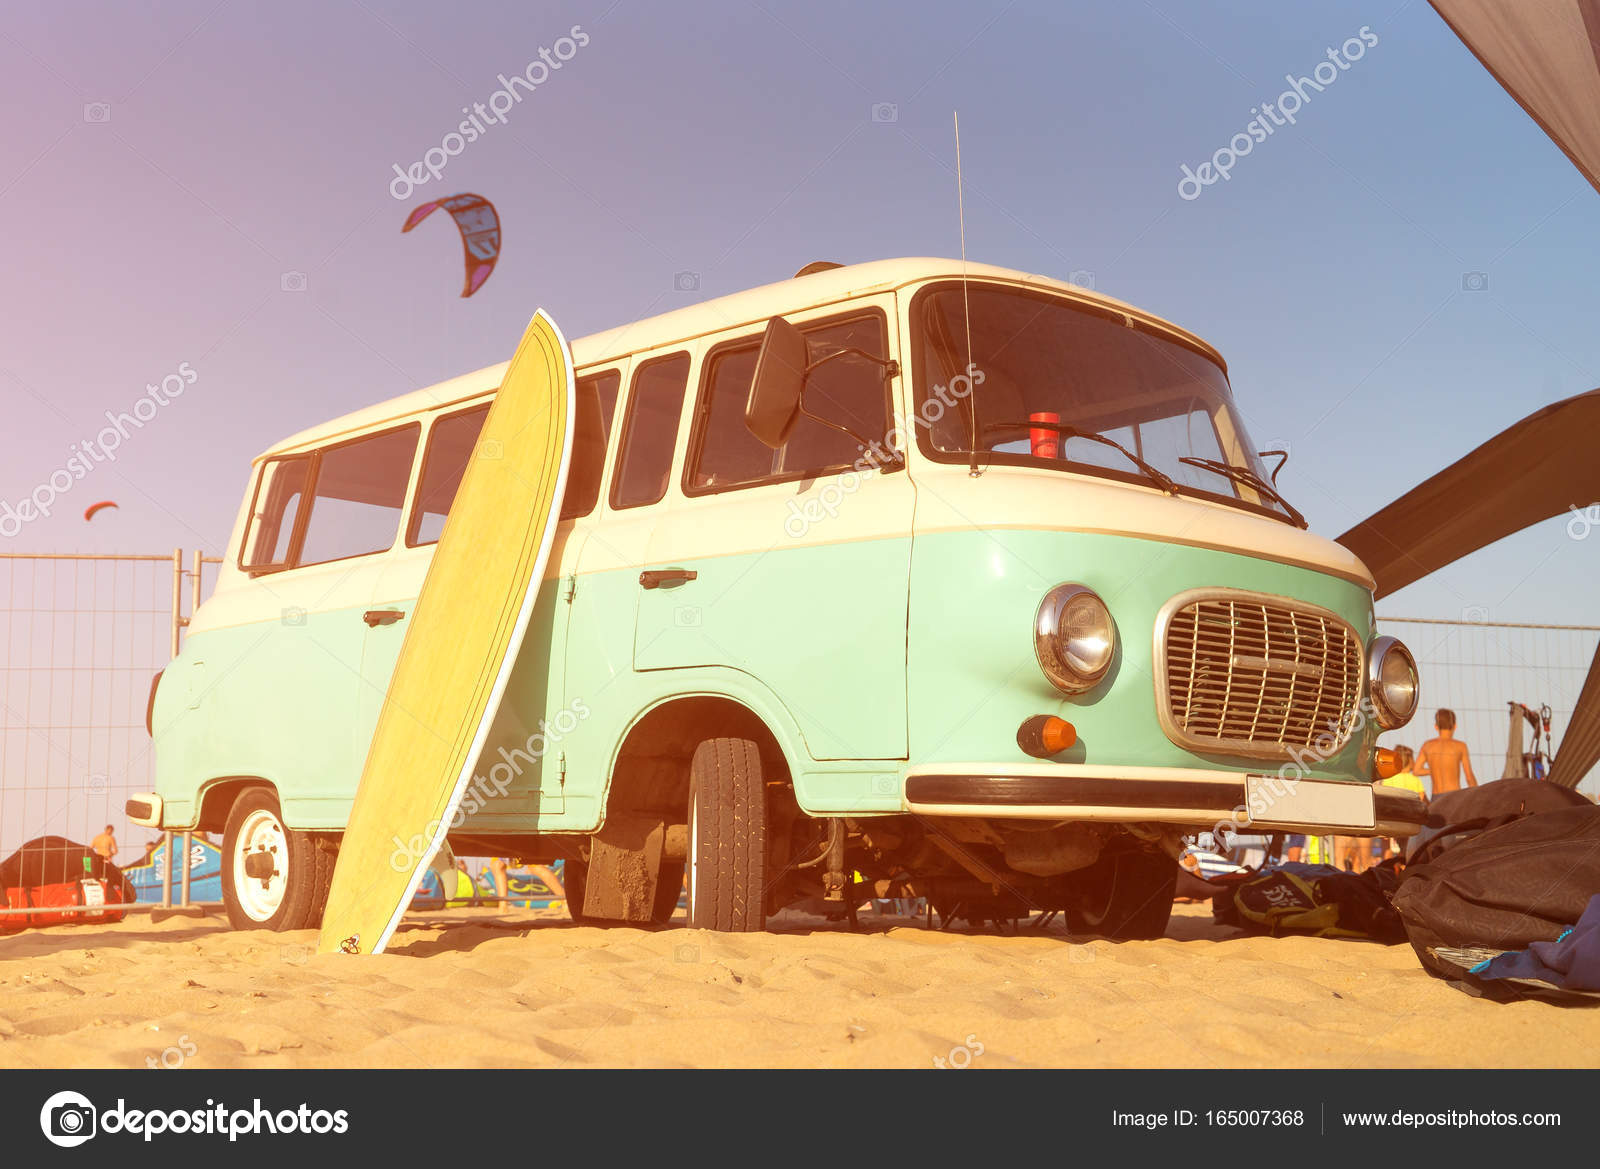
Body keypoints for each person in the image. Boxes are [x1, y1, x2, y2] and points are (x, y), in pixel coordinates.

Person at [1413, 708, 1478, 795]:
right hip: (1454, 796)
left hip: (1436, 798)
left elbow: (1416, 771)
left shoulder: (1427, 745)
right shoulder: (1460, 746)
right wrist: (1477, 795)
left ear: (1436, 727)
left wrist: (1435, 769)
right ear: (1455, 726)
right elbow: (1469, 777)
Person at [1379, 744, 1427, 859]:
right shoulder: (1415, 780)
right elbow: (1421, 800)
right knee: (1407, 849)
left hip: (1393, 821)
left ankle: (1387, 868)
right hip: (1410, 821)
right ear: (1411, 761)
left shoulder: (1389, 779)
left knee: (1388, 848)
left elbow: (1385, 800)